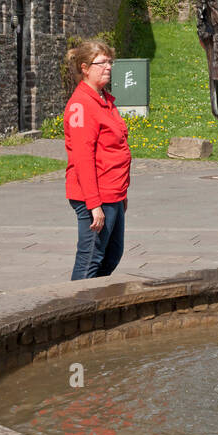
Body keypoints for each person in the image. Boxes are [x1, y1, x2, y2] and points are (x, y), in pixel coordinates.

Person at [63, 39, 131, 280]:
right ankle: (75, 310)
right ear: (85, 68)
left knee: (112, 254)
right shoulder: (81, 105)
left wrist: (122, 194)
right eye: (101, 63)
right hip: (95, 194)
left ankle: (95, 305)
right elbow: (82, 158)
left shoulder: (104, 100)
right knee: (90, 258)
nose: (108, 67)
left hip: (113, 192)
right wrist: (94, 204)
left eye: (110, 62)